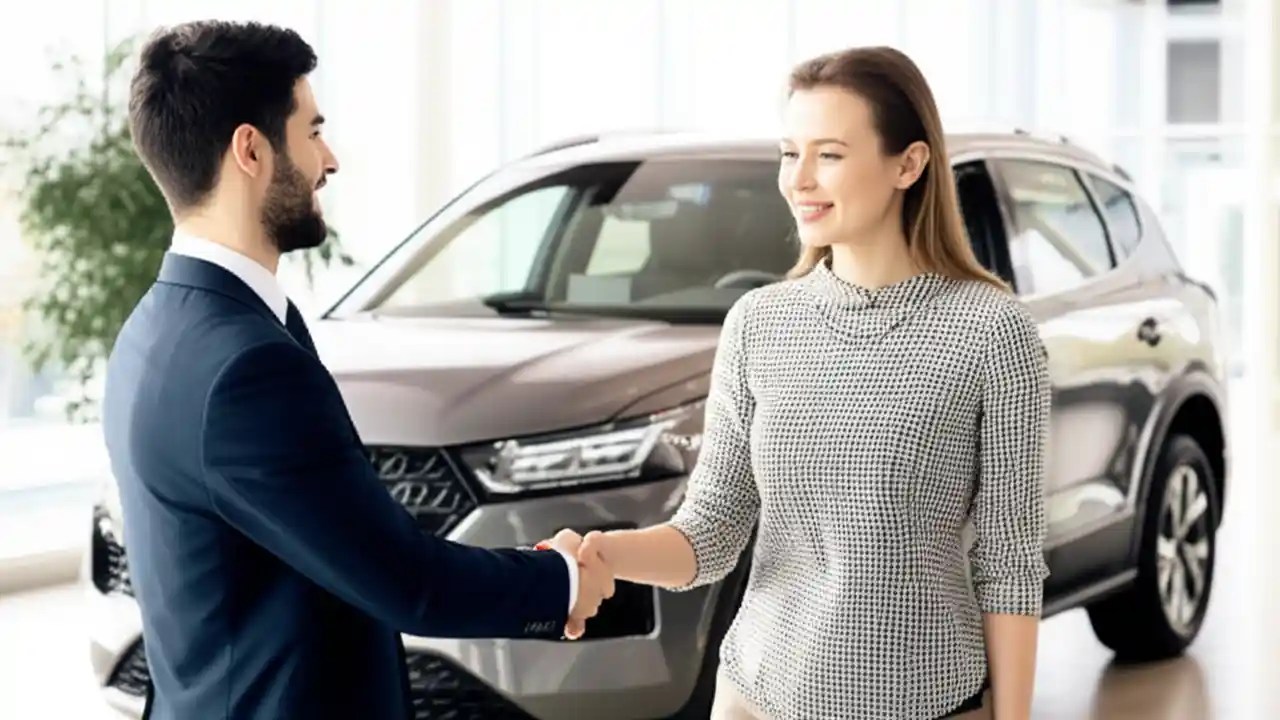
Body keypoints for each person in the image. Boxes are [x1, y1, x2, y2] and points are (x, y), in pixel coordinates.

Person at [102, 21, 612, 720]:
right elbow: (407, 582)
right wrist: (562, 582)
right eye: (312, 132)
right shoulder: (247, 365)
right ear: (251, 150)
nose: (329, 160)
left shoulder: (153, 329)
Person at [553, 46, 1051, 720]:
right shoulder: (759, 323)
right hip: (756, 697)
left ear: (908, 164)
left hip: (926, 703)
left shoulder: (993, 332)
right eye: (791, 153)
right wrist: (605, 554)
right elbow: (711, 532)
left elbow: (1010, 563)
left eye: (830, 154)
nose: (800, 180)